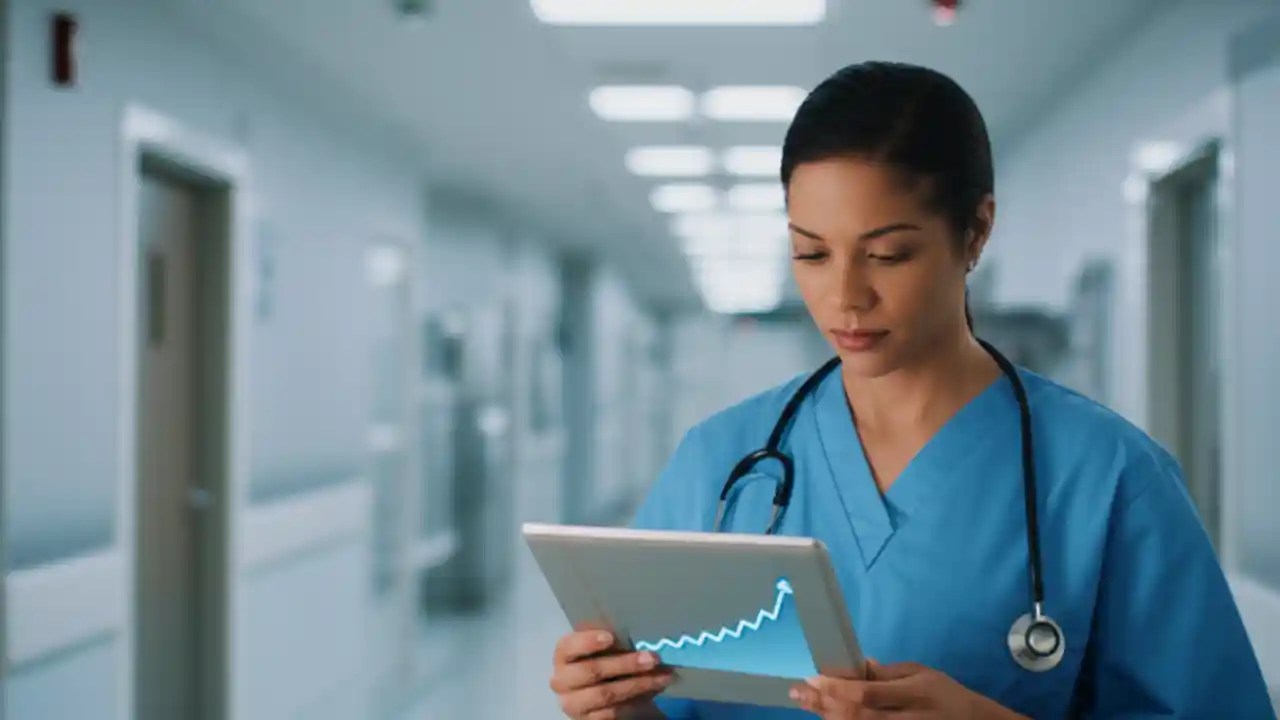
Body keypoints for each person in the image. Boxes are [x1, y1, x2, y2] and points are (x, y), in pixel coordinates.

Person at [547, 61, 1274, 719]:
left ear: (975, 232)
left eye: (888, 254)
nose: (843, 298)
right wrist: (616, 707)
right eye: (811, 253)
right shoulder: (718, 463)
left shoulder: (1109, 480)